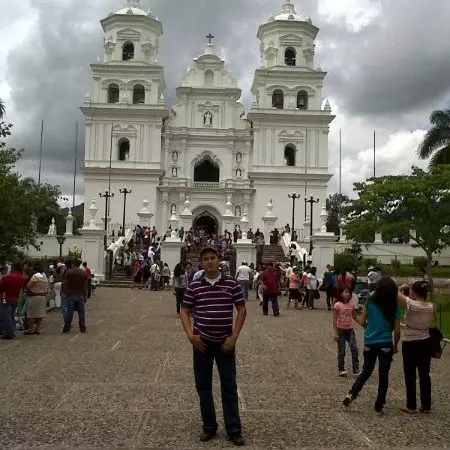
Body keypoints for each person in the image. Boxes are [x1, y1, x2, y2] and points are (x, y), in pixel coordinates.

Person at [180, 247, 247, 446]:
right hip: (202, 343)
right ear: (201, 262)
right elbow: (185, 310)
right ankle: (209, 426)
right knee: (203, 387)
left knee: (229, 386)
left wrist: (234, 336)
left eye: (213, 257)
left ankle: (233, 429)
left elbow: (242, 310)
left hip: (225, 343)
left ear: (219, 260)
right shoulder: (194, 286)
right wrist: (190, 335)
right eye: (206, 259)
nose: (209, 261)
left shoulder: (231, 284)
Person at [343, 277, 401, 415]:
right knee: (383, 374)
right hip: (386, 343)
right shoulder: (394, 307)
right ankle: (379, 404)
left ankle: (352, 393)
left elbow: (362, 322)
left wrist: (371, 329)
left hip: (370, 342)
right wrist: (395, 345)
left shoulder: (370, 303)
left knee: (366, 370)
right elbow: (397, 332)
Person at [397, 280, 435, 414]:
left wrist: (402, 287)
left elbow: (396, 293)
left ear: (414, 291)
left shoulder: (411, 304)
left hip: (410, 342)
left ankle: (411, 405)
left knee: (410, 374)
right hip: (425, 341)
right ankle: (426, 405)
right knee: (425, 374)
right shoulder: (431, 306)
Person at [333, 287, 360, 376]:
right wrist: (335, 332)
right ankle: (341, 369)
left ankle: (356, 369)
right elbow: (334, 319)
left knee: (354, 348)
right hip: (341, 330)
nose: (348, 294)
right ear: (341, 294)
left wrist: (363, 323)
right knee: (342, 350)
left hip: (350, 329)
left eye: (349, 292)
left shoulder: (352, 305)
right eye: (346, 292)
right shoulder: (337, 305)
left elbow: (354, 316)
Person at [0, 262, 25, 339]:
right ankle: (12, 331)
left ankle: (8, 332)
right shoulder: (21, 277)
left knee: (6, 316)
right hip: (15, 298)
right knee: (11, 315)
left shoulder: (10, 276)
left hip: (7, 298)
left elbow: (1, 285)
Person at [62, 260, 88, 334]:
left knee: (69, 312)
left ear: (73, 264)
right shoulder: (83, 273)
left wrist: (66, 292)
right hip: (80, 294)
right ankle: (82, 328)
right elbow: (85, 286)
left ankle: (67, 328)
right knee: (81, 312)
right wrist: (85, 295)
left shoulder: (69, 272)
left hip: (71, 293)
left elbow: (65, 283)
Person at [25, 264, 50, 335]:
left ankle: (30, 329)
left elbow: (28, 286)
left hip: (35, 297)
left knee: (32, 314)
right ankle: (37, 329)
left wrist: (29, 290)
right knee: (40, 313)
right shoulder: (44, 276)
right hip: (42, 296)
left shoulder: (36, 276)